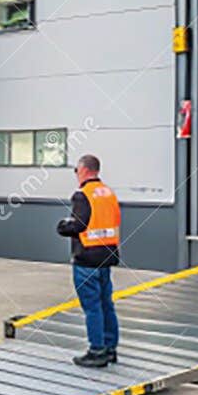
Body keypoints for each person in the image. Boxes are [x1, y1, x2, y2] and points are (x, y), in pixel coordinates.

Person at [55, 153, 120, 368]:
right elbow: (114, 220)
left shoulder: (82, 195)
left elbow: (79, 225)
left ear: (83, 170)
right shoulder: (108, 193)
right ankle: (110, 348)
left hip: (86, 259)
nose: (76, 174)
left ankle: (96, 350)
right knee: (106, 304)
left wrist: (63, 227)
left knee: (92, 307)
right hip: (106, 256)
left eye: (76, 170)